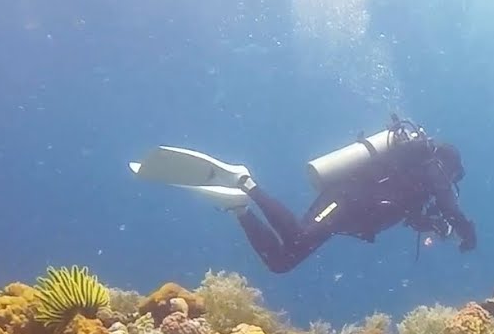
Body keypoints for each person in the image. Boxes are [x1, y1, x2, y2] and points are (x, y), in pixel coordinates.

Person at [129, 116, 476, 274]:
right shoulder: (433, 166)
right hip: (347, 197)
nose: (450, 182)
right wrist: (467, 231)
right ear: (449, 164)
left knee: (282, 262)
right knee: (298, 235)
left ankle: (240, 209)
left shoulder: (417, 184)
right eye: (453, 176)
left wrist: (438, 227)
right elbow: (449, 204)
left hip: (350, 213)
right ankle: (245, 181)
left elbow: (414, 214)